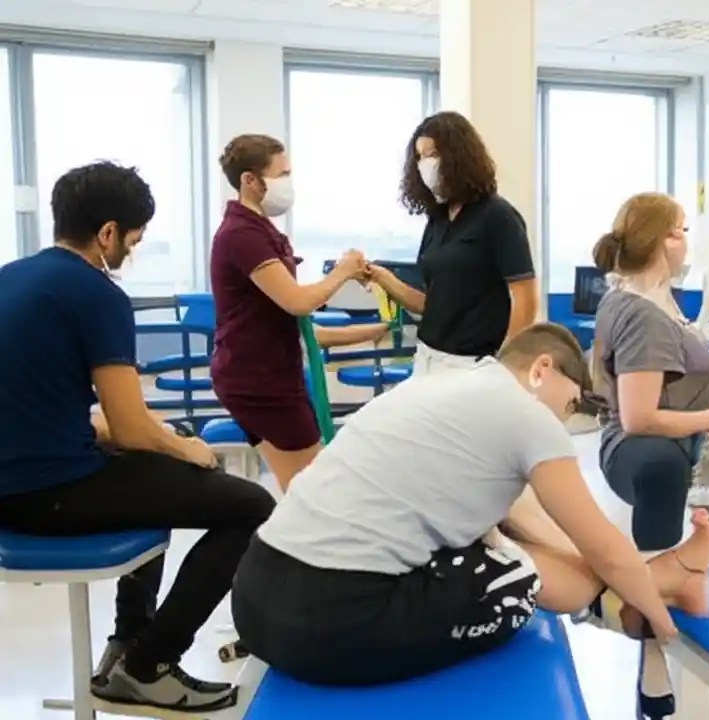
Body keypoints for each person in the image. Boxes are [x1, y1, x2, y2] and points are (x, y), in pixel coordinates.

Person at [230, 323, 709, 687]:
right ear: (542, 369)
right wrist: (662, 623)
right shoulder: (525, 415)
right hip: (325, 623)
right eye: (570, 402)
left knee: (504, 537)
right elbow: (600, 545)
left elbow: (533, 523)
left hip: (255, 597)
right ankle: (657, 590)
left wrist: (625, 570)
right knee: (512, 576)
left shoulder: (445, 389)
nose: (565, 417)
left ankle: (653, 584)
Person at [0, 162, 276, 712]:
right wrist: (185, 447)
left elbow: (32, 401)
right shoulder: (96, 293)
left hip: (14, 483)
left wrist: (138, 437)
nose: (131, 250)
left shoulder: (12, 277)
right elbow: (130, 427)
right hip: (46, 494)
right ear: (107, 233)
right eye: (133, 238)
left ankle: (127, 644)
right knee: (250, 505)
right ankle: (148, 665)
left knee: (156, 467)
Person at [590, 192, 709, 718]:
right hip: (646, 450)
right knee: (662, 468)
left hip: (677, 443)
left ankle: (680, 584)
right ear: (660, 241)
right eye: (680, 231)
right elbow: (638, 417)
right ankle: (646, 629)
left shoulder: (651, 298)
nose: (685, 241)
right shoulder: (643, 313)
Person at [209, 134, 389, 491]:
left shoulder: (260, 231)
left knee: (306, 487)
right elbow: (298, 302)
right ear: (249, 180)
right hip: (259, 381)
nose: (287, 183)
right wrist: (343, 271)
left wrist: (375, 330)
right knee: (314, 491)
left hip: (266, 374)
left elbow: (296, 326)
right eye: (281, 175)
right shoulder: (241, 235)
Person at [364, 111, 538, 375]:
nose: (425, 165)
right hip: (429, 356)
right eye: (420, 157)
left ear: (458, 156)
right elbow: (432, 305)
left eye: (433, 154)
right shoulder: (437, 221)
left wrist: (504, 364)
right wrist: (382, 277)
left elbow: (525, 301)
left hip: (474, 362)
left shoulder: (498, 216)